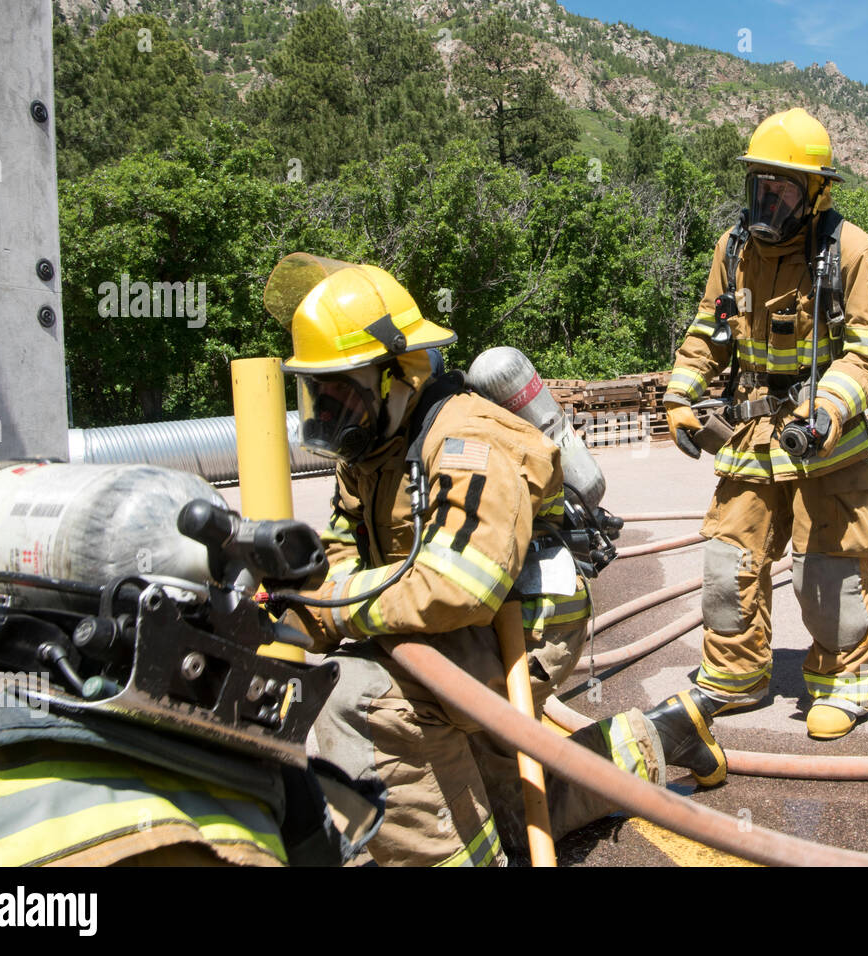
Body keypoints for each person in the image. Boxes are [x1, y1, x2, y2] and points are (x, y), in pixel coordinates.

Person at [264, 253, 726, 867]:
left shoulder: (469, 440)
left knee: (360, 699)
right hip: (439, 623)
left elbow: (461, 584)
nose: (325, 413)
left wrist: (332, 610)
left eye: (338, 392)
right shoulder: (371, 449)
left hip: (526, 620)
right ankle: (663, 737)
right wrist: (300, 597)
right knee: (510, 806)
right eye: (316, 393)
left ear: (395, 374)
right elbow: (341, 548)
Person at [662, 108, 868, 740]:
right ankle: (735, 676)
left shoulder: (853, 252)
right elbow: (708, 331)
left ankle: (845, 683)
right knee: (727, 559)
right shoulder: (733, 248)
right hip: (749, 436)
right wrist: (680, 396)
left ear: (816, 191)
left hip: (825, 441)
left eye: (784, 186)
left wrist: (826, 407)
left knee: (827, 571)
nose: (768, 197)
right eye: (759, 184)